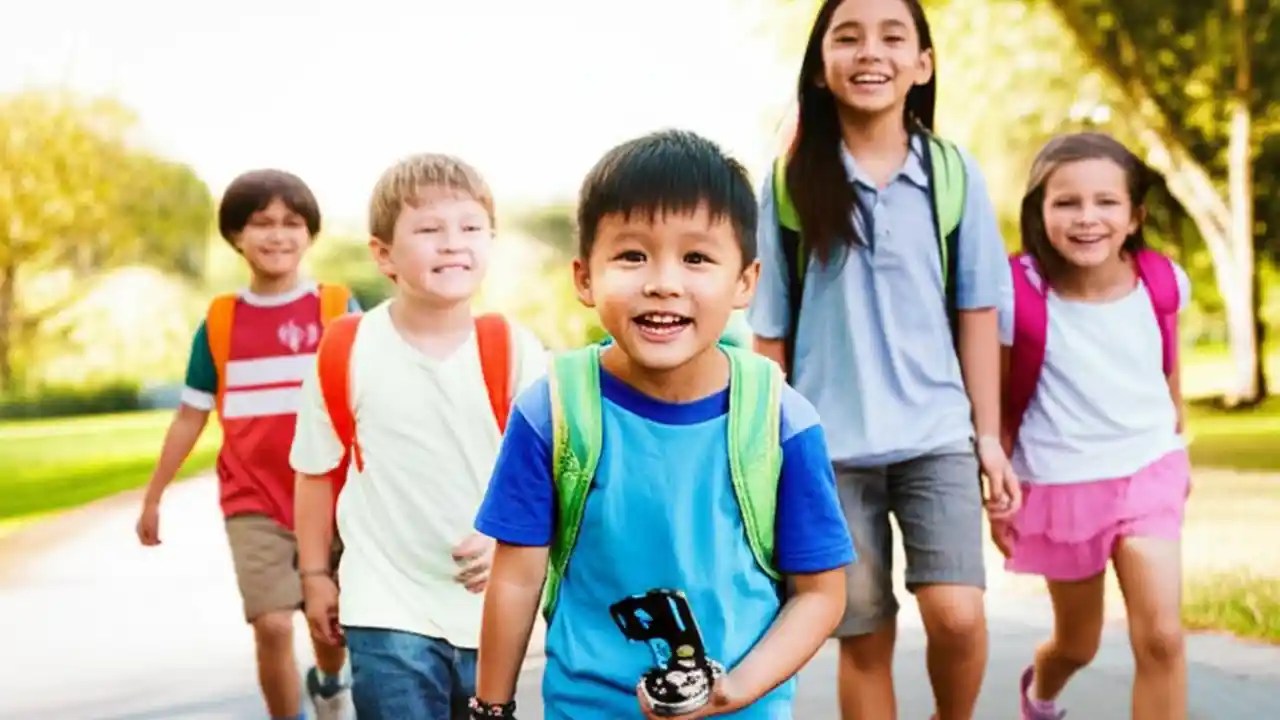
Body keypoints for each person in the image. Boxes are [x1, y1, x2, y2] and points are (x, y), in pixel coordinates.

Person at [468, 129, 854, 720]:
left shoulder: (781, 420)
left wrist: (738, 689)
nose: (663, 282)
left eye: (697, 257)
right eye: (631, 255)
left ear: (745, 281)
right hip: (587, 708)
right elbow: (517, 579)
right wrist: (491, 709)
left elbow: (820, 595)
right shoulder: (553, 412)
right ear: (584, 278)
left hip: (743, 710)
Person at [746, 0, 1020, 718]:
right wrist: (766, 448)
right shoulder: (785, 183)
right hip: (828, 449)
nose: (872, 52)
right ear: (821, 66)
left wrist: (987, 439)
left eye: (894, 37)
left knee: (958, 614)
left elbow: (978, 315)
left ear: (922, 64)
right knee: (862, 635)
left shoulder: (952, 174)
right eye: (848, 37)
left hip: (937, 439)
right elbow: (768, 333)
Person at [288, 152, 546, 720]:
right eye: (429, 230)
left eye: (471, 228)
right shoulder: (346, 348)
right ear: (383, 254)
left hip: (490, 611)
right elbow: (313, 473)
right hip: (385, 603)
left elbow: (553, 471)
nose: (453, 243)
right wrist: (314, 575)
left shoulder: (516, 350)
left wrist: (508, 536)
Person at [135, 169, 358, 720]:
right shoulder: (220, 321)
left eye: (291, 222)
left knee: (330, 622)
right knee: (273, 622)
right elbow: (191, 415)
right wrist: (155, 495)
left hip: (333, 495)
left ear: (309, 234)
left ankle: (329, 682)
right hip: (252, 498)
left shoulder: (334, 307)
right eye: (261, 223)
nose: (277, 235)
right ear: (236, 235)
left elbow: (376, 394)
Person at [994, 132, 1192, 720]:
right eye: (1067, 203)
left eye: (1106, 202)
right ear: (1039, 212)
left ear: (1135, 216)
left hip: (1148, 469)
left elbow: (1168, 377)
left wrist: (1180, 452)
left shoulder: (1162, 281)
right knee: (1077, 642)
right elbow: (999, 398)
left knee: (1161, 637)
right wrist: (999, 493)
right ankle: (1042, 692)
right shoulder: (1014, 293)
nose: (1088, 219)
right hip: (1058, 483)